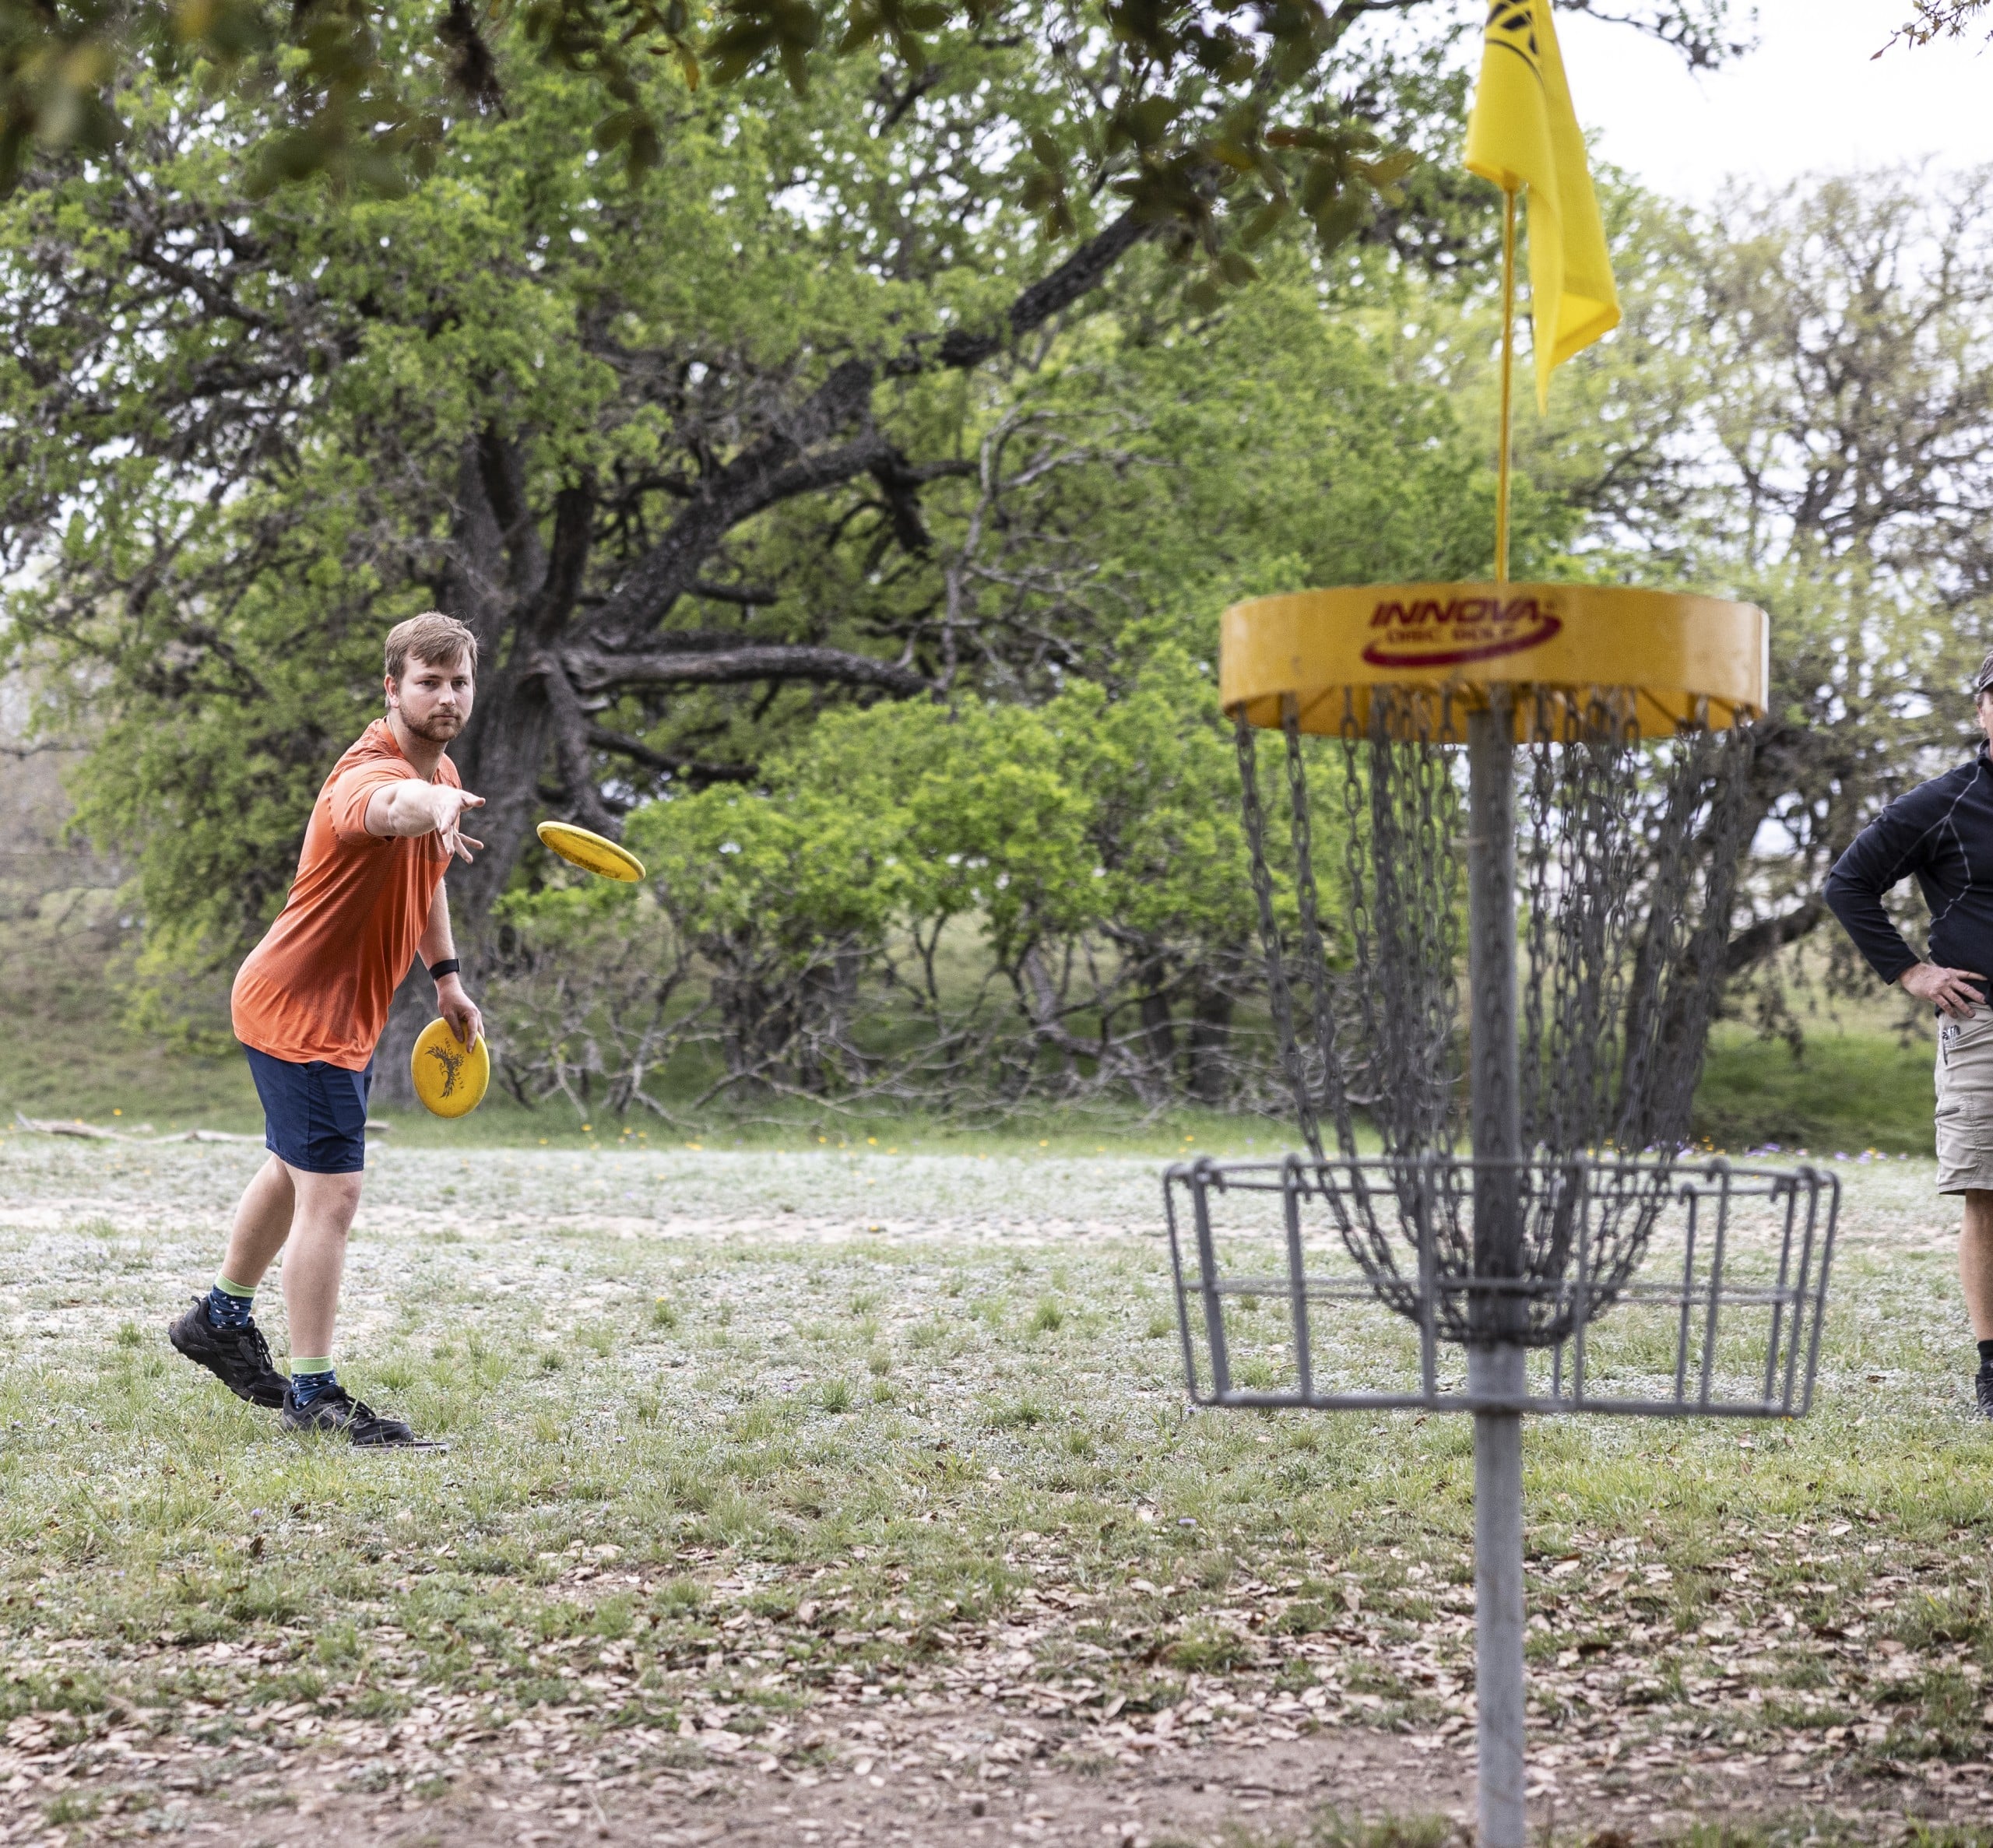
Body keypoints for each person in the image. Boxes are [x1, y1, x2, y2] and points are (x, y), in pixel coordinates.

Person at [168, 612, 487, 1448]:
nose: (447, 697)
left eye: (459, 682)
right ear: (392, 688)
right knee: (333, 1194)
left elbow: (427, 869)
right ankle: (312, 1395)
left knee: (292, 1167)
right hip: (299, 1015)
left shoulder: (441, 768)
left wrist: (447, 978)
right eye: (429, 682)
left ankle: (218, 1321)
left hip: (329, 1013)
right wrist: (434, 801)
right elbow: (393, 809)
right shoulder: (369, 777)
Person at [1825, 648, 1993, 1418]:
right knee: (1986, 1197)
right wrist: (1910, 971)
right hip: (1981, 1024)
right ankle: (1992, 1369)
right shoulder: (1945, 802)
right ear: (1980, 709)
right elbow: (1848, 882)